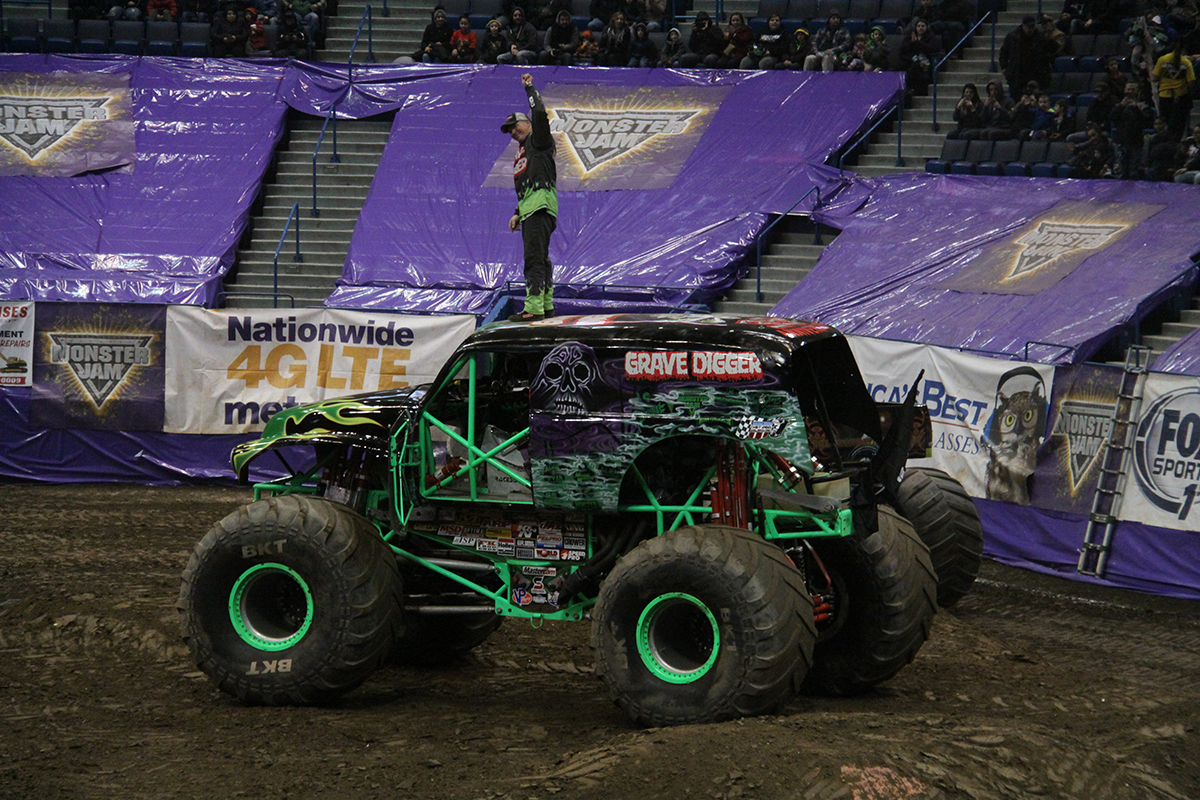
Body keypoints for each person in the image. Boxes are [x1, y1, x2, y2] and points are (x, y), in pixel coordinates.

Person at [502, 74, 558, 323]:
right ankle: (546, 305)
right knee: (541, 258)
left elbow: (539, 113)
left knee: (534, 258)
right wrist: (517, 212)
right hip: (532, 208)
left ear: (528, 123)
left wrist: (529, 88)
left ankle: (533, 308)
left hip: (540, 206)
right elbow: (527, 183)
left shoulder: (539, 139)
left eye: (517, 126)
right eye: (510, 131)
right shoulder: (524, 151)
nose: (514, 132)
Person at [1152, 38, 1196, 141]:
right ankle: (1175, 143)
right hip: (1180, 97)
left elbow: (1154, 77)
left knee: (1166, 123)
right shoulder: (1186, 62)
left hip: (1165, 97)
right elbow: (1191, 82)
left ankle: (1165, 142)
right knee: (1178, 126)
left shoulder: (1162, 59)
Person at [999, 15, 1051, 102]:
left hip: (1034, 73)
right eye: (1028, 27)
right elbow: (1004, 52)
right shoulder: (1012, 36)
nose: (1030, 29)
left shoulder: (1040, 37)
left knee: (1033, 99)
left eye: (1032, 26)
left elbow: (1046, 54)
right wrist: (1004, 67)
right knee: (1015, 98)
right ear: (1023, 26)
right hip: (1016, 73)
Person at [1110, 82, 1152, 178]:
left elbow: (1146, 121)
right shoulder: (1119, 106)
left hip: (1136, 141)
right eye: (1128, 89)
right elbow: (1112, 117)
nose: (1130, 92)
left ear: (1137, 91)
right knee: (1122, 171)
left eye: (1133, 89)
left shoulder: (1143, 106)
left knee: (1134, 170)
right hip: (1122, 140)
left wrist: (1135, 108)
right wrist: (1121, 106)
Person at [899, 18, 941, 94]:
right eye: (918, 26)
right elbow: (902, 49)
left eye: (923, 26)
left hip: (925, 60)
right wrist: (912, 42)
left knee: (915, 66)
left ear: (927, 27)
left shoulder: (931, 37)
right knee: (900, 66)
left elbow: (931, 49)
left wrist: (918, 42)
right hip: (910, 58)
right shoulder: (910, 37)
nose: (920, 28)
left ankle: (912, 89)